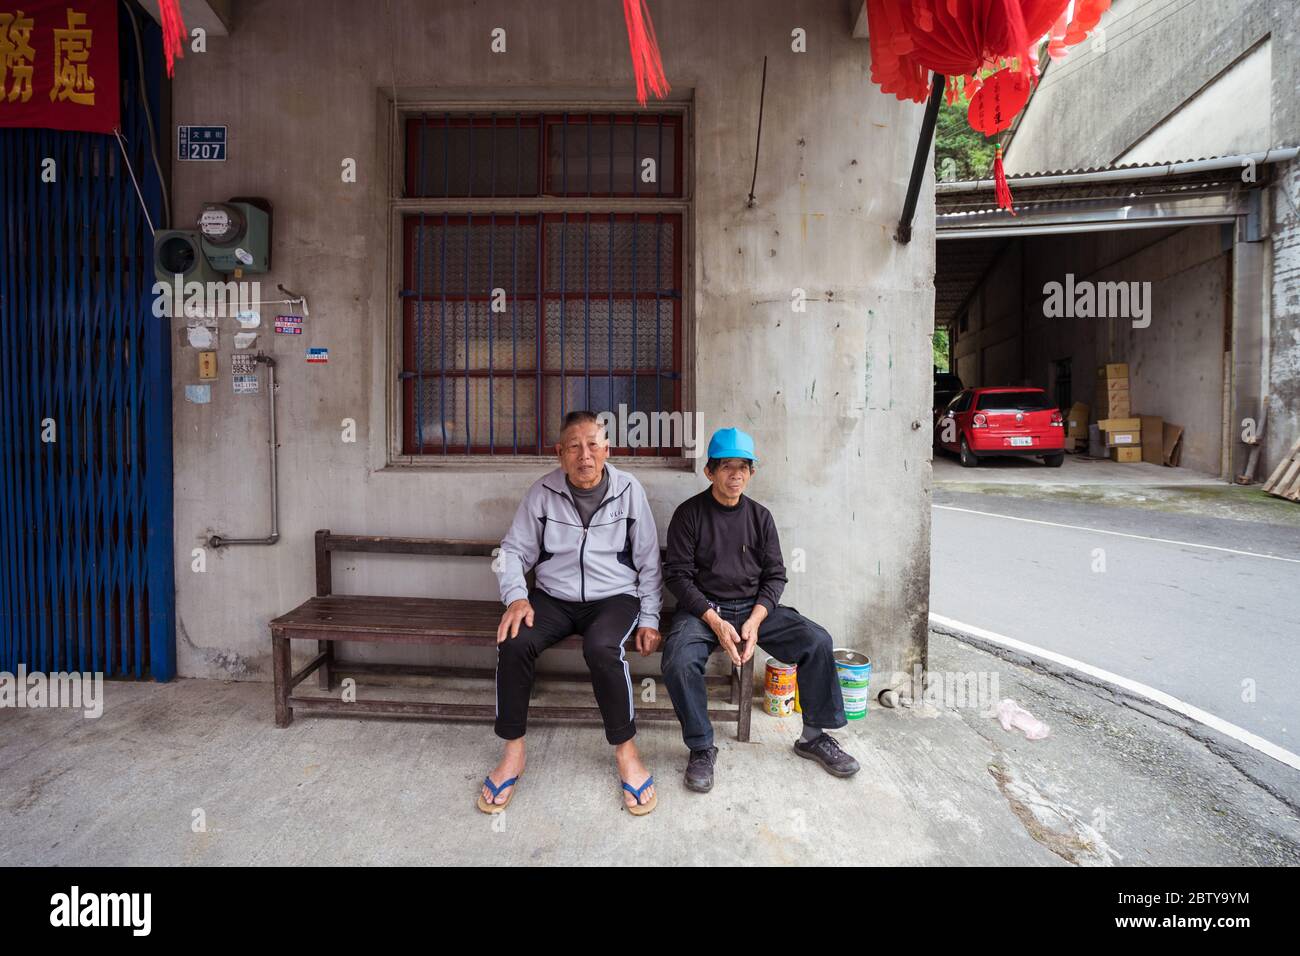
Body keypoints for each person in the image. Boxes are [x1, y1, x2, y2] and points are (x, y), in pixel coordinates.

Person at [480, 411, 664, 815]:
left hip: (614, 597)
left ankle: (626, 752)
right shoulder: (542, 492)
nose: (585, 455)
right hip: (554, 597)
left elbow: (649, 562)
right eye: (575, 447)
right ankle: (513, 751)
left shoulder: (629, 490)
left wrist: (649, 618)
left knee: (601, 648)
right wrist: (516, 596)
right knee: (514, 640)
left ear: (607, 450)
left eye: (593, 445)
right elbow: (512, 551)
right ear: (559, 453)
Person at [660, 427, 860, 792]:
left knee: (817, 641)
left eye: (744, 467)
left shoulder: (760, 517)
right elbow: (678, 577)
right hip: (704, 612)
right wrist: (716, 621)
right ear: (710, 471)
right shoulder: (689, 515)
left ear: (752, 472)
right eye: (726, 467)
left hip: (754, 610)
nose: (736, 475)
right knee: (677, 659)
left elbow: (775, 577)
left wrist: (754, 620)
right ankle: (702, 746)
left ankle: (813, 737)